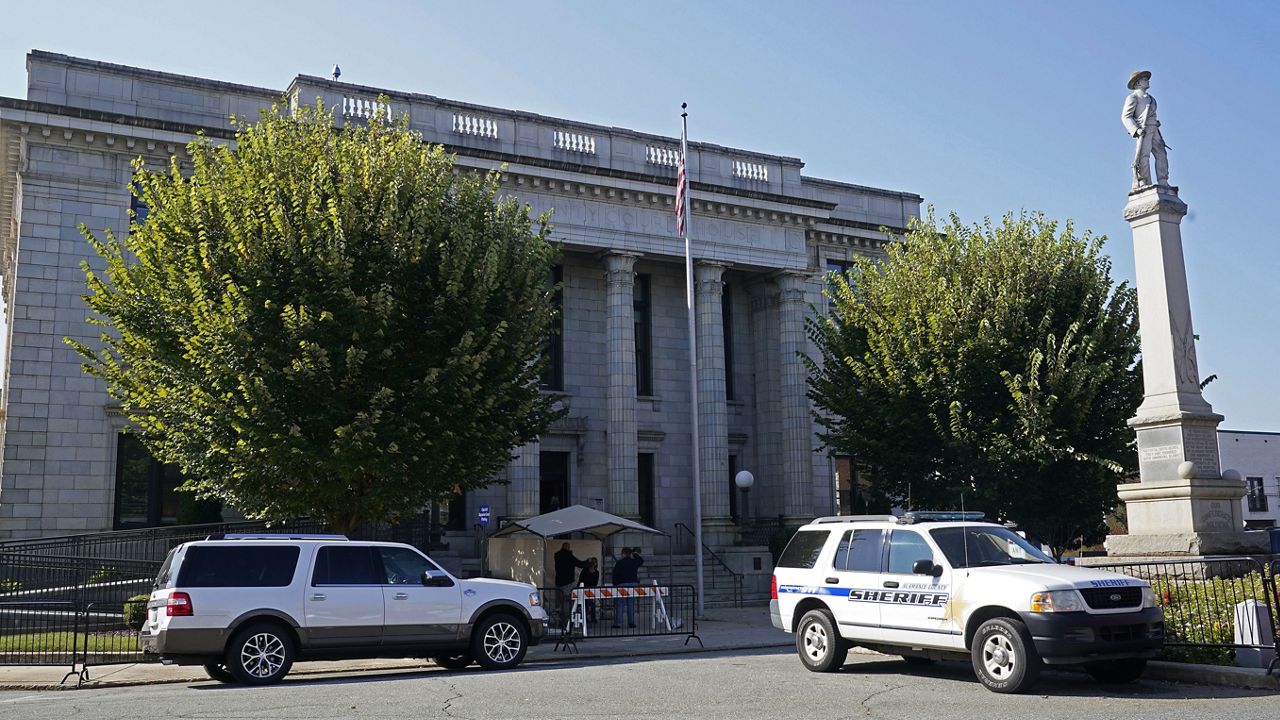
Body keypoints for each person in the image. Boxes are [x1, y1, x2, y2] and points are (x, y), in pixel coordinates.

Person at [1121, 70, 1169, 190]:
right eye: (1144, 79)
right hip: (1143, 130)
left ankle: (1163, 181)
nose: (1147, 81)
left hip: (1155, 129)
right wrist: (1136, 130)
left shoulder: (1152, 99)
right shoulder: (1133, 97)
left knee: (1162, 154)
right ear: (1138, 83)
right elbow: (1126, 116)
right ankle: (1143, 181)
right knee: (1144, 155)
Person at [553, 542, 588, 624]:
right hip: (568, 582)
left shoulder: (557, 555)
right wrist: (587, 561)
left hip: (558, 582)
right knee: (567, 600)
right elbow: (579, 564)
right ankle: (567, 620)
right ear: (567, 547)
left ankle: (561, 620)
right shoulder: (569, 556)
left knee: (560, 601)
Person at [610, 546, 644, 629]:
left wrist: (615, 584)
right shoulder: (634, 562)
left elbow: (615, 575)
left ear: (623, 554)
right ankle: (631, 622)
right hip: (633, 584)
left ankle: (618, 623)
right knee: (631, 604)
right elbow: (641, 561)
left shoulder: (619, 563)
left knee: (620, 604)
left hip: (622, 584)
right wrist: (635, 554)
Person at [578, 557, 600, 621]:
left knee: (592, 604)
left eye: (594, 563)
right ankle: (586, 617)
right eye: (592, 563)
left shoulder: (596, 572)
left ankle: (592, 617)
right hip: (584, 589)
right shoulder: (585, 570)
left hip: (591, 589)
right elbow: (581, 580)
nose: (593, 564)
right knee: (586, 604)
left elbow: (595, 582)